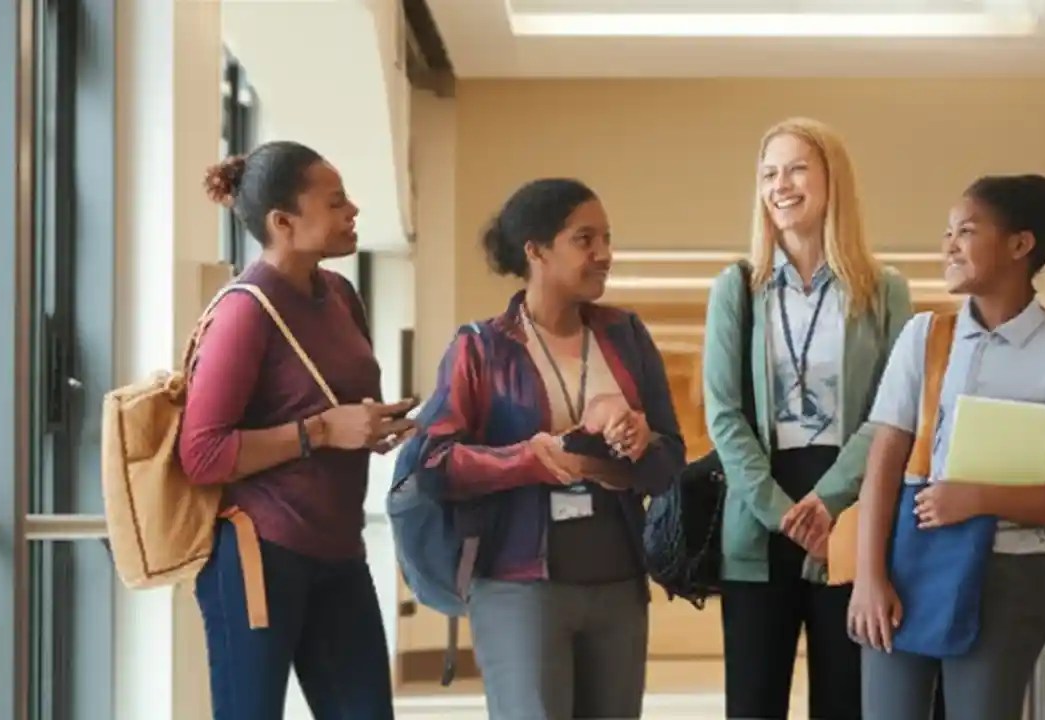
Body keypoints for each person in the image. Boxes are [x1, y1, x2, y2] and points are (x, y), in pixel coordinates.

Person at [415, 178, 686, 720]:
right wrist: (529, 459)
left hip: (618, 580)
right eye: (585, 239)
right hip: (518, 583)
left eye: (607, 238)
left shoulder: (626, 335)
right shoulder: (480, 347)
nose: (604, 254)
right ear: (535, 251)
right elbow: (433, 464)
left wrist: (639, 443)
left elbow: (670, 461)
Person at [848, 174, 1045, 719]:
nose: (948, 245)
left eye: (966, 231)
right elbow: (883, 461)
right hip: (907, 566)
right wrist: (868, 577)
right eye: (948, 232)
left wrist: (978, 498)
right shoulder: (923, 336)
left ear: (1020, 245)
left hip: (1008, 578)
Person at [181, 141, 414, 720]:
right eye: (336, 203)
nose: (353, 210)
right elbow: (202, 454)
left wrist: (371, 426)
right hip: (260, 556)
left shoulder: (339, 295)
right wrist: (323, 432)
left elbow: (333, 403)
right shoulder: (245, 311)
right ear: (283, 223)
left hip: (339, 551)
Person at [703, 117, 913, 719]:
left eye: (797, 168)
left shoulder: (884, 291)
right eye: (769, 173)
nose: (781, 185)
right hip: (758, 510)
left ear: (831, 180)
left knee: (846, 700)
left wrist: (830, 501)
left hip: (849, 512)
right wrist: (780, 511)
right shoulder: (737, 288)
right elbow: (723, 411)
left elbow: (891, 410)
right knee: (753, 703)